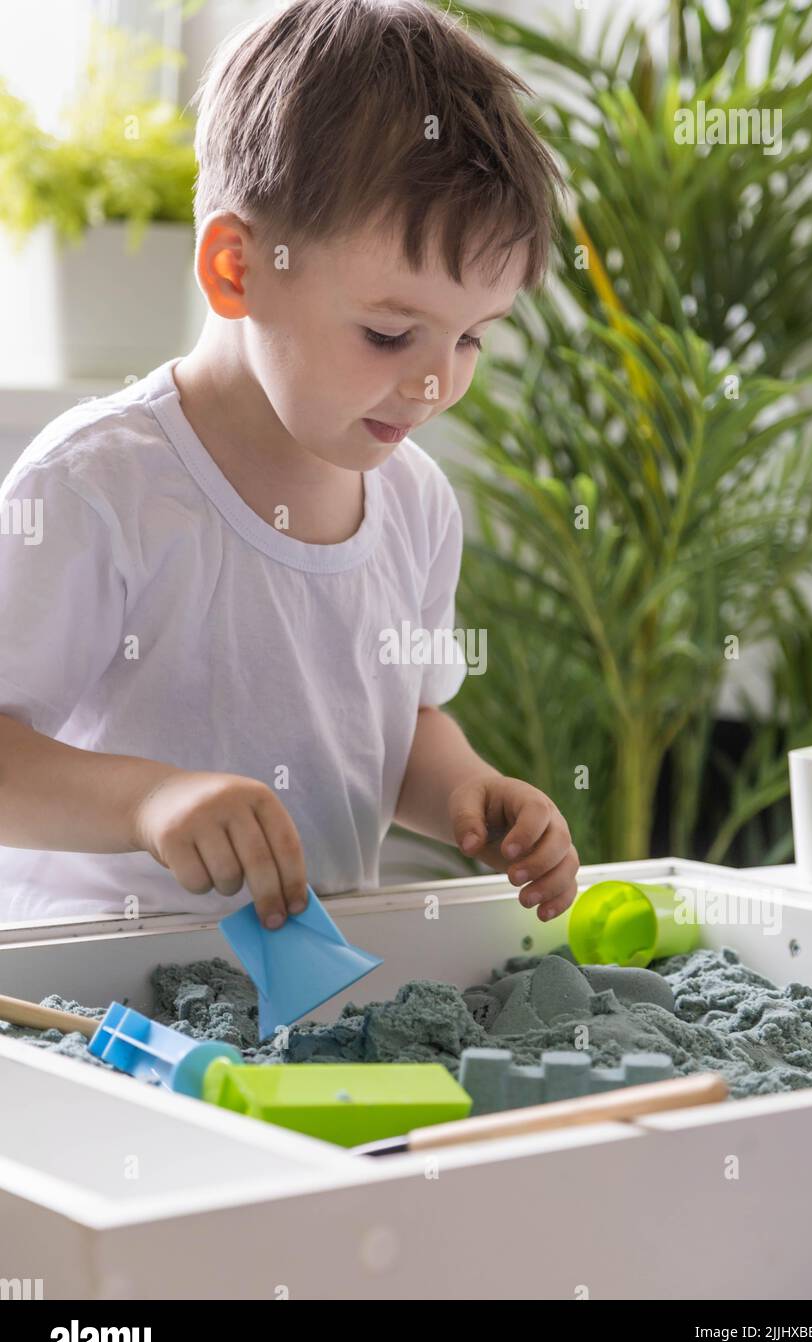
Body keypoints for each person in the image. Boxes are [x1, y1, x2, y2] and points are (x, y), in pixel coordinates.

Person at [0, 0, 579, 929]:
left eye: (472, 338)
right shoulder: (97, 488)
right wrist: (150, 803)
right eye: (390, 333)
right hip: (92, 1005)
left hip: (308, 999)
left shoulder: (418, 505)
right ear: (237, 270)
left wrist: (472, 791)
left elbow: (399, 726)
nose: (435, 384)